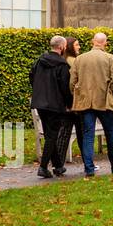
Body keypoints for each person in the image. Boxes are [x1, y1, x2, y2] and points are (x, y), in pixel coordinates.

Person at [70, 32, 113, 176]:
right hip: (104, 101)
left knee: (87, 135)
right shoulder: (109, 58)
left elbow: (72, 81)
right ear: (105, 43)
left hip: (85, 102)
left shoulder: (80, 59)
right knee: (110, 133)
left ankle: (89, 169)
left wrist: (77, 94)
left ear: (93, 42)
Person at [29, 35, 73, 179]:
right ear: (61, 47)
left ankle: (58, 166)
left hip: (40, 103)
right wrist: (70, 104)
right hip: (55, 104)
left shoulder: (39, 61)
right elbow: (65, 88)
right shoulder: (62, 65)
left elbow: (31, 77)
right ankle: (42, 167)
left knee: (49, 134)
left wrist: (38, 91)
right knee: (52, 134)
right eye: (65, 46)